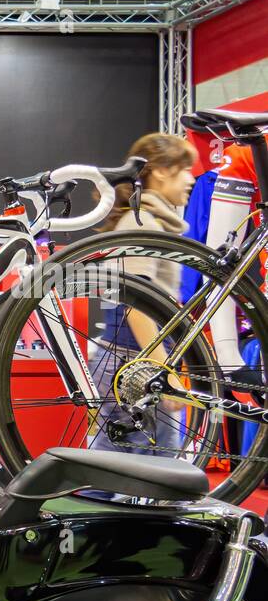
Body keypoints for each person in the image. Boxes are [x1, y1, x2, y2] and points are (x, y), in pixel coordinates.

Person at [91, 132, 197, 457]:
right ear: (161, 170)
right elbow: (134, 306)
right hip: (133, 362)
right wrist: (163, 373)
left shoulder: (147, 221)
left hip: (128, 360)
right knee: (157, 475)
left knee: (116, 470)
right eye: (185, 169)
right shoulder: (143, 223)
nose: (192, 179)